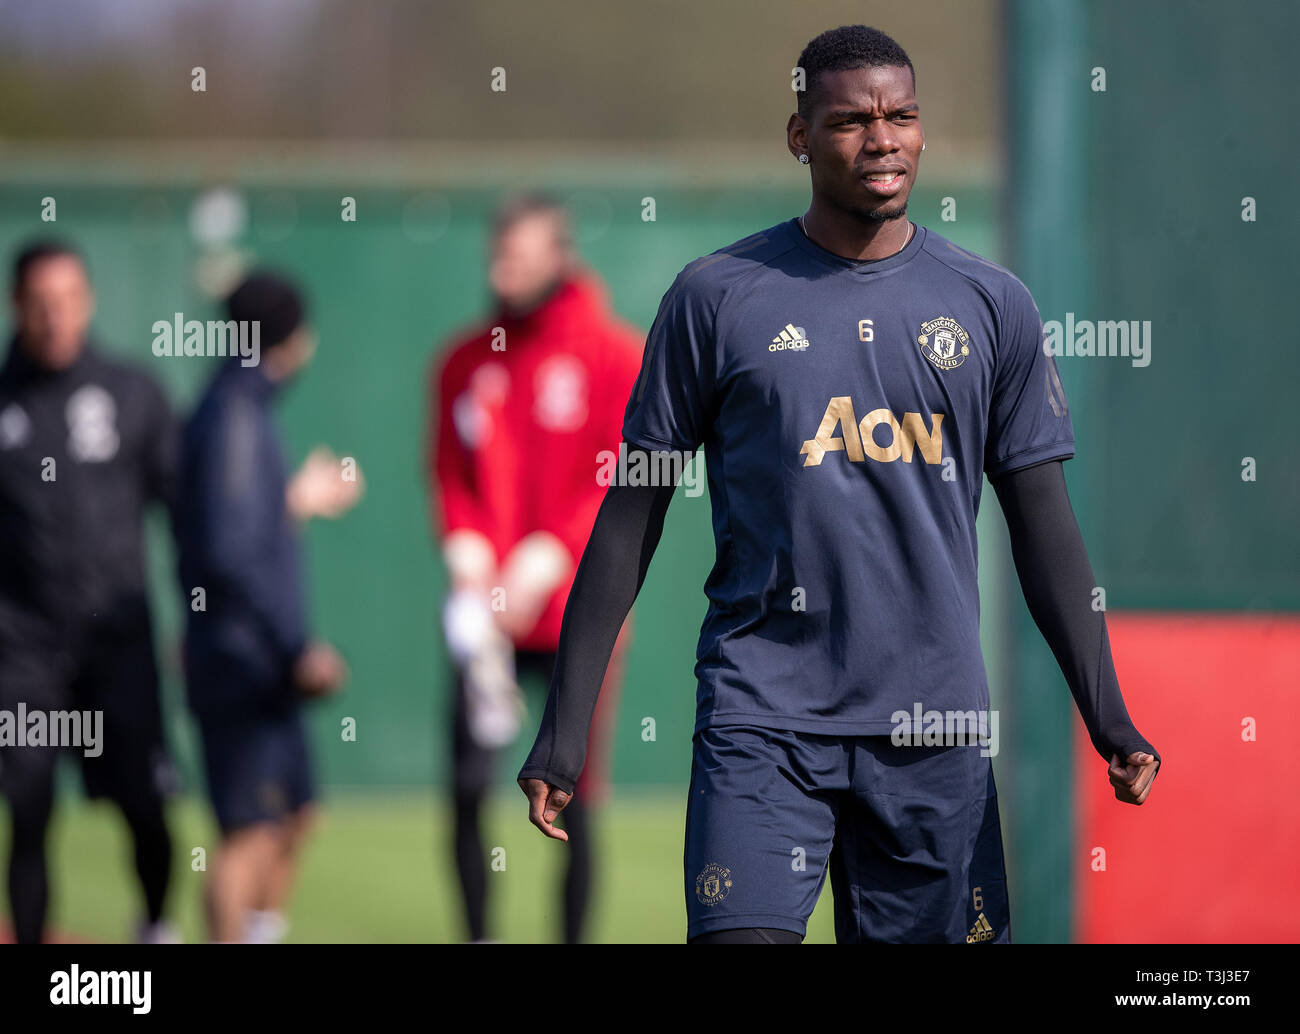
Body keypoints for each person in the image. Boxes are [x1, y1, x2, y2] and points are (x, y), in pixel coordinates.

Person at [517, 25, 1161, 944]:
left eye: (900, 116)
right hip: (761, 722)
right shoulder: (716, 297)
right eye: (852, 119)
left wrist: (1108, 713)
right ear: (799, 136)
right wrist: (565, 726)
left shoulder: (991, 306)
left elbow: (1046, 530)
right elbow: (632, 517)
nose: (882, 138)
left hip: (933, 730)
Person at [431, 195, 643, 943]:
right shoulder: (463, 358)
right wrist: (469, 553)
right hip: (484, 615)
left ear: (560, 256)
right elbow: (452, 475)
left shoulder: (614, 354)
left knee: (572, 793)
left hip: (577, 610)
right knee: (464, 785)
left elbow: (617, 475)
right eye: (499, 253)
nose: (503, 269)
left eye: (520, 254)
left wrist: (548, 559)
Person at [0, 240, 178, 944]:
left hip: (118, 647)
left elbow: (191, 504)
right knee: (30, 809)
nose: (55, 318)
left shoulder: (132, 393)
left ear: (90, 301)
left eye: (68, 301)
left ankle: (156, 929)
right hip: (24, 653)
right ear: (18, 306)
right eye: (41, 304)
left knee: (145, 805)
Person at [178, 271, 361, 943]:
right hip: (242, 657)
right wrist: (294, 648)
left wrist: (294, 501)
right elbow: (230, 555)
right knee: (249, 830)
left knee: (294, 815)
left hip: (252, 653)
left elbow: (235, 528)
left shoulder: (236, 408)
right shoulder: (233, 412)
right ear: (294, 338)